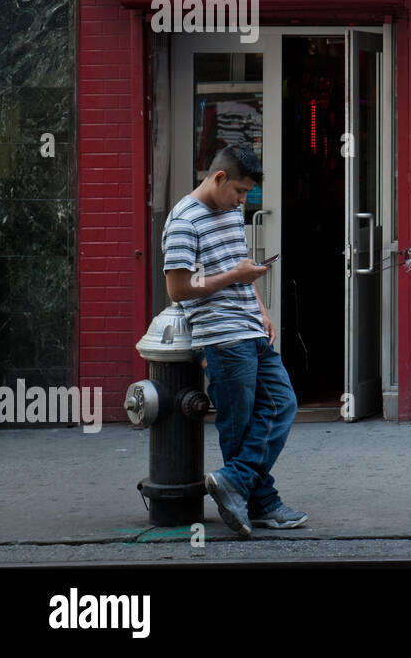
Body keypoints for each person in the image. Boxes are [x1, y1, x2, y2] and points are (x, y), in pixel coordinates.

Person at [161, 144, 305, 538]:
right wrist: (234, 278)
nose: (242, 201)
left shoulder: (230, 212)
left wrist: (261, 309)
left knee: (282, 403)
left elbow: (237, 264)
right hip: (221, 336)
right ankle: (262, 503)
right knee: (239, 427)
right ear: (219, 177)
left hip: (250, 328)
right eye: (240, 191)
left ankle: (235, 482)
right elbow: (178, 288)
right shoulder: (184, 221)